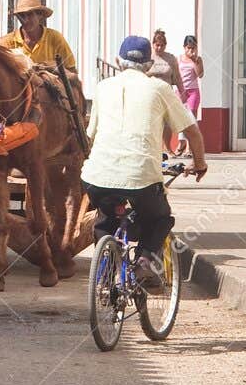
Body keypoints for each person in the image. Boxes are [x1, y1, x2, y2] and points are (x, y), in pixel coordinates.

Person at [81, 35, 208, 290]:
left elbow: (90, 135)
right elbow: (192, 131)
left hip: (96, 177)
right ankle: (144, 262)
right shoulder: (159, 89)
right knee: (161, 218)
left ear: (118, 62)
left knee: (106, 218)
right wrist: (200, 163)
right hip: (141, 178)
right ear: (149, 66)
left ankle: (105, 275)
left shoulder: (103, 88)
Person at [1, 0, 77, 74]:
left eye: (30, 14)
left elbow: (72, 72)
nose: (25, 20)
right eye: (22, 15)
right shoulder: (6, 43)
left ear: (40, 15)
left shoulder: (55, 38)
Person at [175, 34, 204, 156]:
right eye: (188, 48)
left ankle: (190, 147)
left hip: (193, 91)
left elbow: (200, 75)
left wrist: (195, 62)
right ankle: (181, 143)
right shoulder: (179, 59)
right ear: (184, 47)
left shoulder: (198, 59)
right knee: (181, 117)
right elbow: (176, 75)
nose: (190, 50)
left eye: (193, 48)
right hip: (181, 91)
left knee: (191, 117)